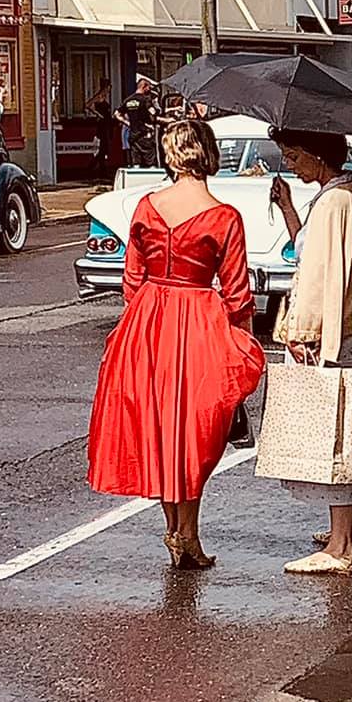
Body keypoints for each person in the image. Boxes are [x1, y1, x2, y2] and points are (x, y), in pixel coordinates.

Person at [87, 114, 265, 568]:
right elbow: (239, 292)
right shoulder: (225, 217)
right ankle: (189, 531)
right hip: (200, 318)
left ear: (171, 155)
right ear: (209, 155)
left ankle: (174, 529)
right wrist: (239, 341)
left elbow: (131, 280)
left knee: (160, 427)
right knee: (199, 432)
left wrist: (150, 309)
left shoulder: (147, 207)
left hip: (149, 321)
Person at [268, 128, 352, 576]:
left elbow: (317, 275)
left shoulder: (333, 204)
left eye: (295, 157)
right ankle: (349, 530)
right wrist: (288, 209)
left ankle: (339, 547)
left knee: (334, 436)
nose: (292, 165)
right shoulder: (350, 196)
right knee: (351, 426)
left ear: (318, 155)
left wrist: (302, 330)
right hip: (348, 327)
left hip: (328, 332)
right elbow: (311, 254)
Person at [117, 72, 161, 168]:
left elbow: (117, 114)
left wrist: (127, 123)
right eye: (149, 87)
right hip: (145, 135)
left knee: (136, 163)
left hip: (133, 136)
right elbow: (153, 112)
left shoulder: (128, 100)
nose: (149, 90)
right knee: (151, 163)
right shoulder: (145, 100)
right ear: (144, 87)